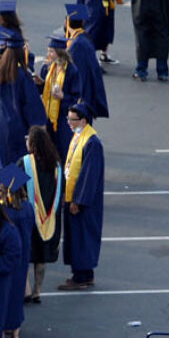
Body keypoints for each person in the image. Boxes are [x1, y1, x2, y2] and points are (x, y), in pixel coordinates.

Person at [57, 98, 104, 291]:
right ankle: (81, 273)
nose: (69, 123)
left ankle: (82, 276)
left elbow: (88, 176)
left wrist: (78, 201)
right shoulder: (78, 137)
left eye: (72, 119)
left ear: (84, 121)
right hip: (73, 198)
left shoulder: (92, 142)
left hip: (84, 202)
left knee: (82, 237)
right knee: (75, 237)